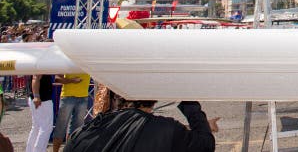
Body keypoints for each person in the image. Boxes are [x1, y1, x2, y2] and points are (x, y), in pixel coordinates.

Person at [64, 95, 217, 152]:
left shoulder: (84, 132)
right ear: (153, 99)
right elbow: (205, 145)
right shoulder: (166, 129)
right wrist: (189, 102)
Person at [52, 73, 91, 152]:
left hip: (83, 96)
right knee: (61, 127)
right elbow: (57, 78)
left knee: (76, 131)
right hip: (68, 96)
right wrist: (71, 80)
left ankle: (68, 149)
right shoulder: (67, 64)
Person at [26, 73, 54, 152]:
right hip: (42, 99)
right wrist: (36, 96)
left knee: (36, 127)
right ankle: (38, 150)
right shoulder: (40, 65)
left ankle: (30, 150)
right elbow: (35, 77)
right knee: (46, 128)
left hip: (37, 98)